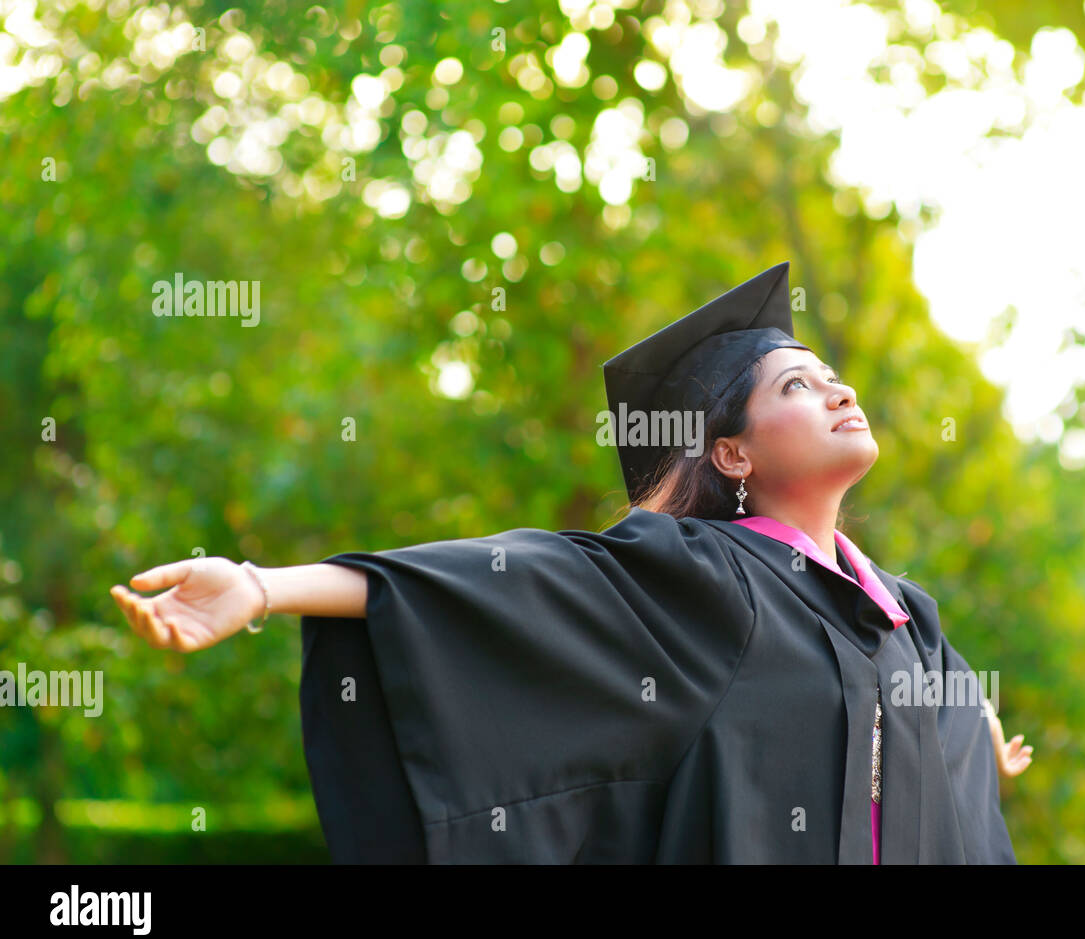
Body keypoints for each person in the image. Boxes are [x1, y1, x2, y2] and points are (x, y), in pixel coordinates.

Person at [111, 261, 1031, 863]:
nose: (839, 388)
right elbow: (511, 584)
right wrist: (264, 586)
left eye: (832, 375)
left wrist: (977, 736)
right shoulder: (707, 580)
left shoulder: (908, 616)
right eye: (797, 383)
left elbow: (918, 726)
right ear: (731, 454)